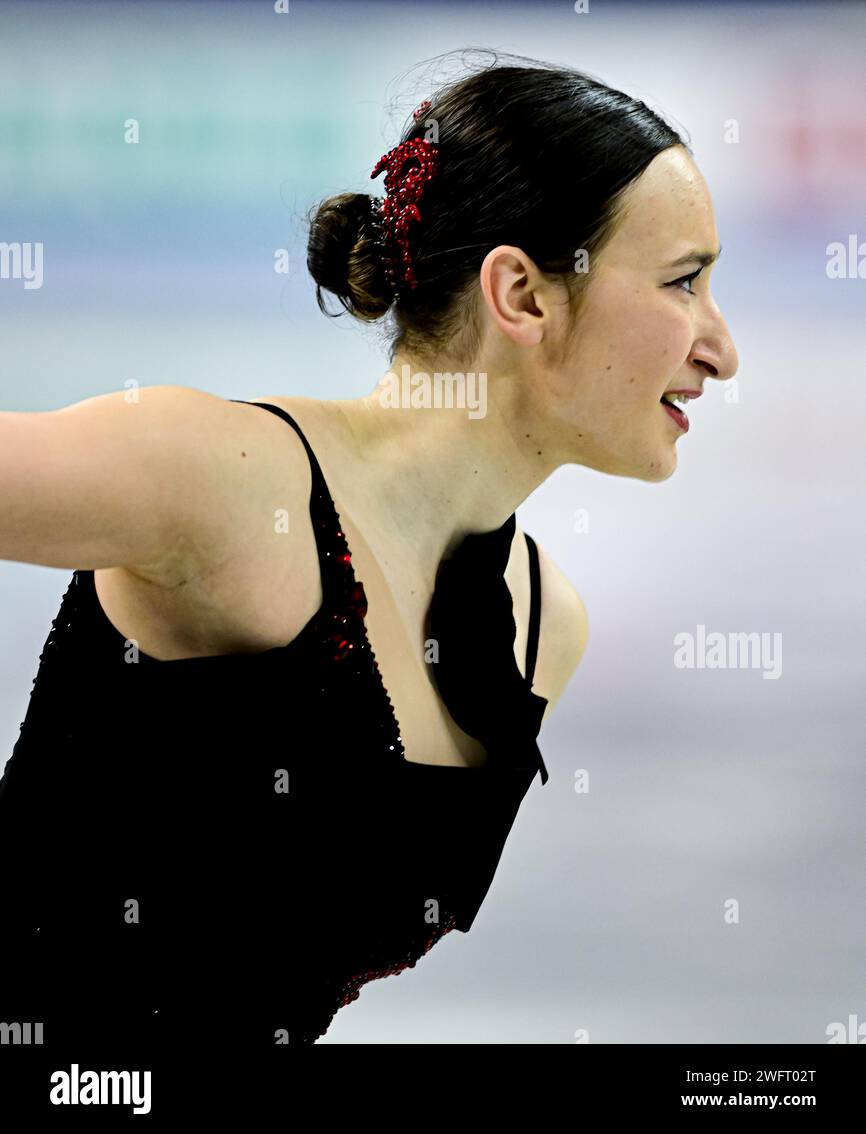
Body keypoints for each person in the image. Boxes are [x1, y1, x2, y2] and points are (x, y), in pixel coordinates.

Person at [0, 52, 738, 1070]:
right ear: (520, 294)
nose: (719, 346)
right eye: (682, 282)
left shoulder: (536, 630)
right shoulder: (226, 484)